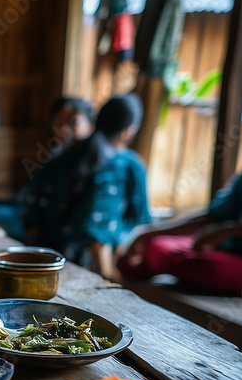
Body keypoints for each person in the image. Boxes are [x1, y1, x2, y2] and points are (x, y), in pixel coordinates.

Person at [118, 74, 242, 297]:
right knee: (151, 250)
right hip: (236, 247)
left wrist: (230, 231)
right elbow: (219, 214)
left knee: (208, 269)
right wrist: (148, 233)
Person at [22, 94, 151, 277]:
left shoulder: (61, 157)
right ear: (129, 131)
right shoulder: (124, 164)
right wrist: (111, 278)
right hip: (83, 268)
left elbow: (32, 212)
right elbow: (98, 237)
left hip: (47, 261)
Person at [0, 97, 96, 240]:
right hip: (25, 205)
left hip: (44, 223)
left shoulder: (91, 164)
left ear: (90, 125)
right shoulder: (56, 156)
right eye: (59, 123)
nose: (64, 129)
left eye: (73, 122)